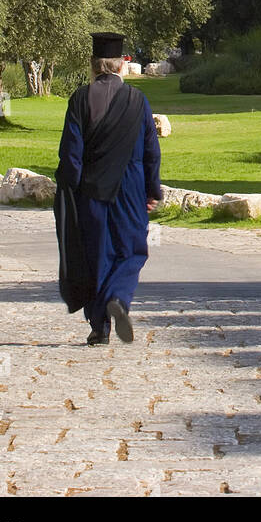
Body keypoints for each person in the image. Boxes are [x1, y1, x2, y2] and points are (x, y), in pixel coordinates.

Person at [54, 33, 161, 345]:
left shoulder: (79, 99)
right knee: (131, 250)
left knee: (96, 256)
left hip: (91, 189)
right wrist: (152, 189)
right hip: (130, 187)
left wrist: (69, 191)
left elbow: (70, 153)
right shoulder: (137, 100)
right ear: (120, 65)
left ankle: (99, 327)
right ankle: (118, 297)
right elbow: (151, 149)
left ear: (93, 65)